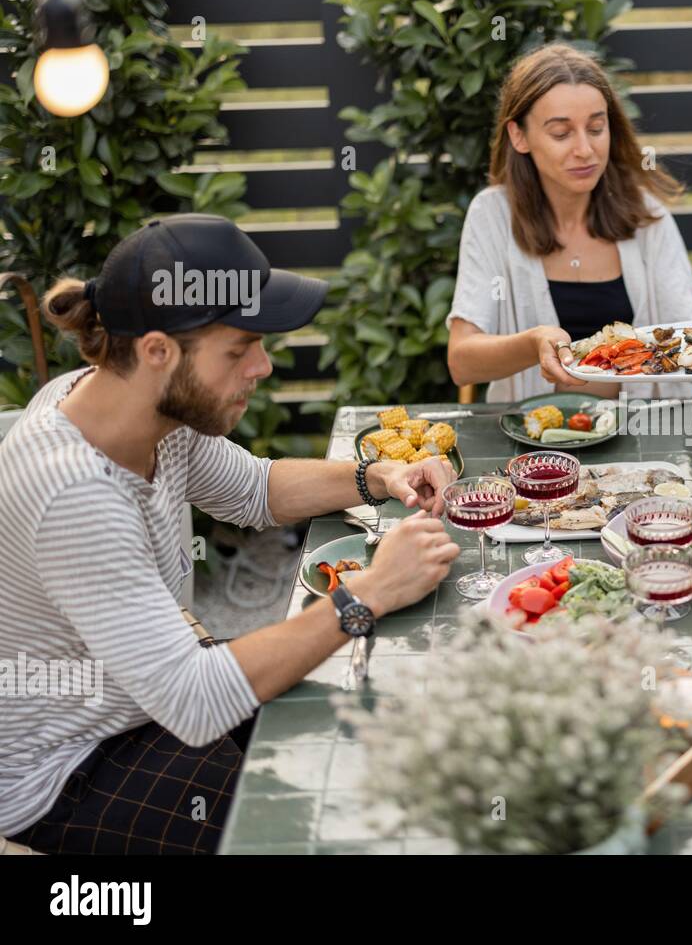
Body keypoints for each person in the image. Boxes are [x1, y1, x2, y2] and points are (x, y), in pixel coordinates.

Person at [0, 214, 460, 854]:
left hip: (149, 697)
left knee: (373, 726)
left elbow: (255, 490)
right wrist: (368, 595)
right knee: (321, 827)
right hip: (69, 767)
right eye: (241, 348)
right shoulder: (73, 493)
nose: (265, 366)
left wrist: (379, 475)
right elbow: (196, 698)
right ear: (158, 350)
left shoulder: (138, 400)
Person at [447, 42, 692, 402]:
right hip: (534, 445)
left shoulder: (646, 217)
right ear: (518, 135)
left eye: (596, 128)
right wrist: (534, 344)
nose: (584, 149)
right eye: (561, 133)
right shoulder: (492, 216)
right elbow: (462, 362)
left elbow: (687, 348)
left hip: (644, 439)